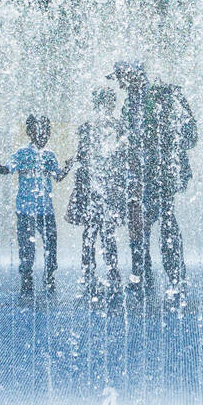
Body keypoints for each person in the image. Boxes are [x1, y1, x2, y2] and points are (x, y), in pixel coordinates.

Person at [0, 114, 72, 305]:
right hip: (25, 210)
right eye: (39, 130)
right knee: (27, 249)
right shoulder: (21, 154)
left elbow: (58, 176)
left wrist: (68, 167)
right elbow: (7, 169)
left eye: (47, 130)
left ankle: (49, 278)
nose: (44, 134)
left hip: (46, 210)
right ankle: (27, 282)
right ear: (30, 132)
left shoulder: (50, 156)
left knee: (51, 247)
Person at [67, 88, 125, 300]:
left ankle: (97, 271)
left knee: (97, 232)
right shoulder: (110, 127)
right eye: (108, 101)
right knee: (100, 232)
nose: (108, 105)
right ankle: (102, 271)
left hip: (100, 188)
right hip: (100, 187)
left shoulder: (101, 127)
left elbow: (84, 158)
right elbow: (87, 157)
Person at [142, 80, 197, 297]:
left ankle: (163, 274)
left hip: (159, 180)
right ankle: (171, 274)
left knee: (159, 225)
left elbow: (190, 139)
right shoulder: (166, 119)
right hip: (157, 179)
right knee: (162, 224)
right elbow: (191, 137)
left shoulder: (166, 120)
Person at [110, 61, 153, 295]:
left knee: (156, 225)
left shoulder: (151, 98)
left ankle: (173, 279)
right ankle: (141, 273)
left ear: (130, 76)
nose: (118, 83)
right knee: (137, 226)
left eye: (119, 78)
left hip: (152, 175)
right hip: (136, 175)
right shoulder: (130, 103)